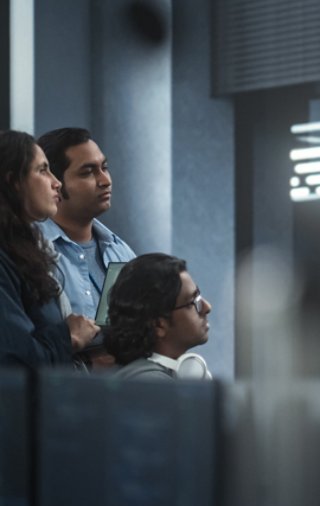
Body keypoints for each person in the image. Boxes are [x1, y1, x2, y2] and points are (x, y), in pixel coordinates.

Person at [0, 130, 99, 368]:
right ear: (14, 181)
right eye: (42, 170)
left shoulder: (26, 248)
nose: (57, 183)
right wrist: (69, 336)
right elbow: (16, 360)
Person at [36, 127, 135, 318]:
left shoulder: (120, 251)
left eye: (104, 168)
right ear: (54, 183)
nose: (105, 180)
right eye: (88, 172)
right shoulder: (32, 253)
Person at [104, 253, 212, 380]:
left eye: (198, 296)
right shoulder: (151, 384)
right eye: (192, 302)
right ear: (159, 325)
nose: (207, 307)